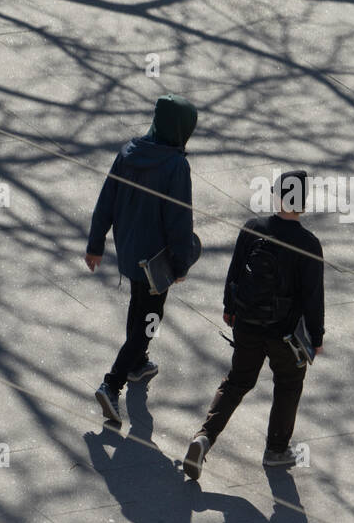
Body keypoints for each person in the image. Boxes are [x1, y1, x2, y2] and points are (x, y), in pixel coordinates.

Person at [183, 171, 324, 480]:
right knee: (288, 384)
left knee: (237, 382)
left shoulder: (253, 229)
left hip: (247, 323)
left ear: (276, 196)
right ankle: (276, 450)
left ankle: (204, 437)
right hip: (284, 332)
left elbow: (234, 273)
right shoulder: (308, 243)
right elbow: (314, 296)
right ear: (303, 203)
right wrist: (317, 336)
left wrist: (230, 308)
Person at [85, 94, 200, 423]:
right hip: (156, 260)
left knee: (139, 308)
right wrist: (180, 264)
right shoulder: (176, 165)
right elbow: (179, 220)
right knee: (149, 321)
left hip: (129, 251)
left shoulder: (128, 153)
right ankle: (112, 384)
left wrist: (95, 243)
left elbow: (106, 200)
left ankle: (137, 364)